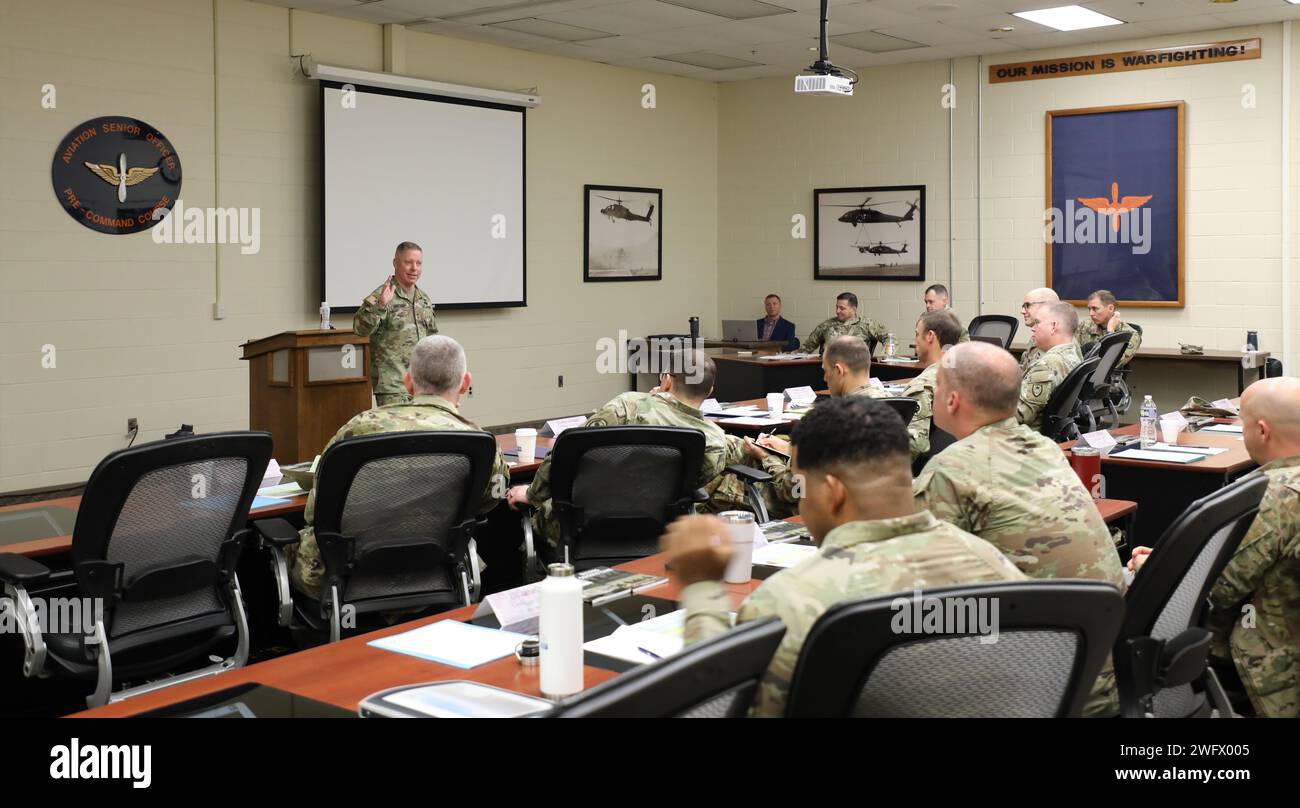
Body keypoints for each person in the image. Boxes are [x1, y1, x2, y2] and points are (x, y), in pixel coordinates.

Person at [662, 397, 1026, 717]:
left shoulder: (791, 604)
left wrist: (703, 587)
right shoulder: (994, 564)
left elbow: (713, 706)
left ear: (833, 493)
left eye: (801, 486)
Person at [913, 340, 1126, 716]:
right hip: (1100, 674)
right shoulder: (1045, 449)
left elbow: (916, 587)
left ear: (951, 401)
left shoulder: (952, 469)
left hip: (1043, 690)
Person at [1128, 378, 1300, 718]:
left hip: (1270, 667)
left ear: (1262, 431)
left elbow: (1211, 590)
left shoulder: (1277, 497)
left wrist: (1154, 568)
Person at [289, 335, 507, 599]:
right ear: (465, 383)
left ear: (408, 382)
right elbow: (490, 499)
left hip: (349, 579)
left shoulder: (359, 428)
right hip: (438, 574)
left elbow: (316, 512)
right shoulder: (478, 441)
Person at [507, 351, 733, 552]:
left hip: (583, 527)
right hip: (660, 533)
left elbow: (567, 452)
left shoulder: (627, 406)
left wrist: (531, 494)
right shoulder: (714, 442)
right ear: (710, 390)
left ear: (667, 380)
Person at [353, 241, 438, 406]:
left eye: (418, 263)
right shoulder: (382, 295)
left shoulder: (424, 299)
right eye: (408, 262)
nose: (414, 268)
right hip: (393, 387)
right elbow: (359, 329)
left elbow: (432, 339)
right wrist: (381, 306)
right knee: (400, 432)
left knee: (423, 431)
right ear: (395, 263)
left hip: (422, 385)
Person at [903, 309, 963, 459]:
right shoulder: (970, 375)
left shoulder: (923, 386)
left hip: (928, 473)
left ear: (930, 336)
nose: (914, 341)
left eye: (917, 334)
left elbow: (914, 445)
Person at [1017, 301, 1082, 432]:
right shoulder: (1072, 353)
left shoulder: (1046, 365)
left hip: (1022, 438)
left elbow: (1021, 414)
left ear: (1053, 326)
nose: (1033, 328)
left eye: (1038, 322)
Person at [800, 292, 887, 354]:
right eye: (837, 307)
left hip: (856, 370)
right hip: (829, 370)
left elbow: (890, 339)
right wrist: (790, 356)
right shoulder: (826, 325)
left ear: (853, 309)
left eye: (842, 308)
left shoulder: (867, 324)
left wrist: (884, 355)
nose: (837, 311)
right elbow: (806, 348)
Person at [1077, 289, 1141, 367]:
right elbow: (1073, 353)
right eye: (1089, 309)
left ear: (1110, 308)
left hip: (1105, 377)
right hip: (1082, 373)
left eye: (1095, 309)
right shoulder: (1085, 325)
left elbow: (1113, 363)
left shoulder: (1131, 335)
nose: (1091, 314)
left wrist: (1111, 331)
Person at [1017, 287, 1059, 371]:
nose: (1022, 311)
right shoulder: (1039, 335)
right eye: (1023, 306)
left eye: (1027, 305)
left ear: (1046, 306)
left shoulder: (1052, 341)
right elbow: (1027, 369)